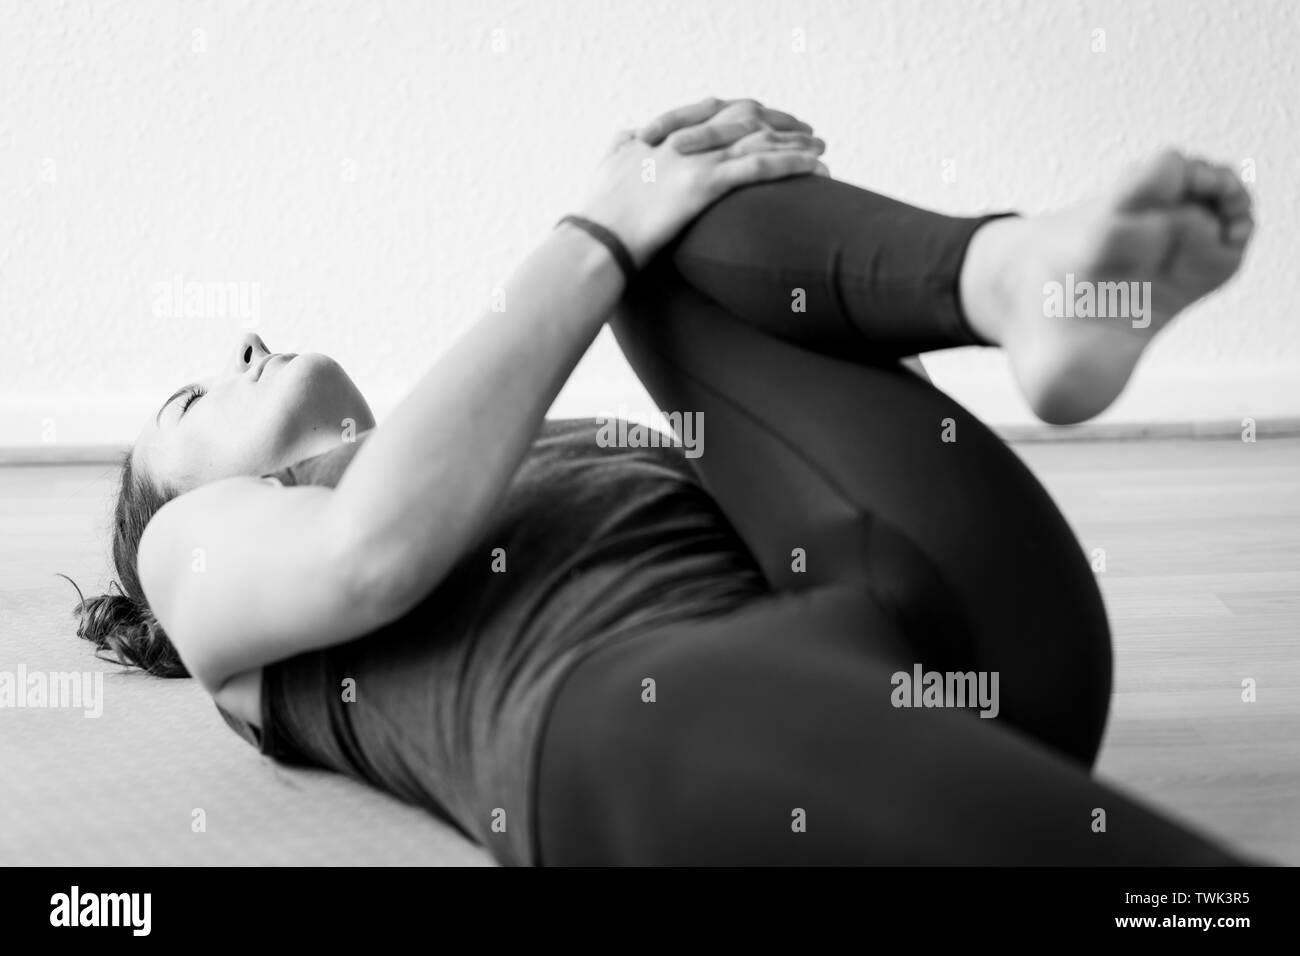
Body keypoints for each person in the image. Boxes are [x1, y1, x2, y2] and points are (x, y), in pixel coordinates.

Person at [70, 97, 1256, 865]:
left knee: (678, 201)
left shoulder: (533, 432)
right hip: (658, 710)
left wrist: (632, 213)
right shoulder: (195, 556)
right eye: (191, 403)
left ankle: (1016, 277)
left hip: (953, 634)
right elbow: (367, 554)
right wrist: (589, 231)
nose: (241, 349)